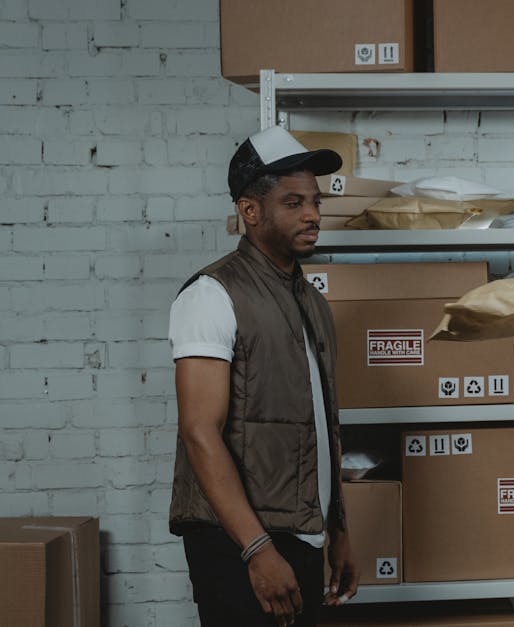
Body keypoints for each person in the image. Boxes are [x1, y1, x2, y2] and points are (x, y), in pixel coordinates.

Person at [168, 126, 358, 627]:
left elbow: (323, 425)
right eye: (293, 202)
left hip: (301, 537)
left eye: (315, 201)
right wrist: (256, 549)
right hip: (237, 544)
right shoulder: (212, 294)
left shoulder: (312, 303)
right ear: (250, 211)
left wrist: (337, 532)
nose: (313, 214)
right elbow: (198, 432)